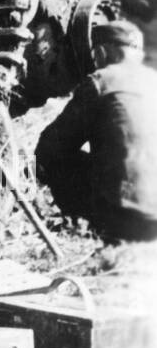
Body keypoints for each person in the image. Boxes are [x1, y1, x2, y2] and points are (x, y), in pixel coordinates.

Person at [35, 19, 157, 240]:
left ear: (100, 53)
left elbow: (51, 145)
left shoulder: (101, 81)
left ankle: (93, 228)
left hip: (128, 215)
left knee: (55, 158)